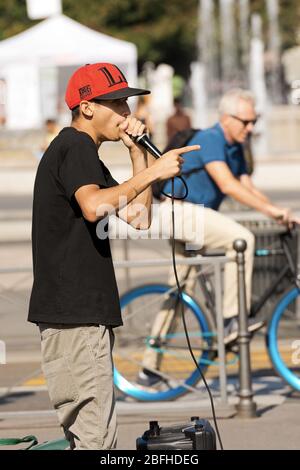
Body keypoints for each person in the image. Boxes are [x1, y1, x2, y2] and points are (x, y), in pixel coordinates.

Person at [27, 62, 199, 450]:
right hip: (75, 317)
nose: (126, 113)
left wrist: (138, 154)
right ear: (87, 106)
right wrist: (153, 173)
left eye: (127, 104)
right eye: (117, 103)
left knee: (92, 437)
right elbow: (92, 206)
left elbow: (138, 217)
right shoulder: (75, 145)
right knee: (96, 440)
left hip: (79, 317)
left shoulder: (84, 151)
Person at [138, 88, 300, 387]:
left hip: (195, 218)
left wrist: (279, 211)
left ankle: (149, 364)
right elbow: (228, 185)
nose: (251, 128)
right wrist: (273, 212)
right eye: (246, 121)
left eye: (255, 121)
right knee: (242, 240)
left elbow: (247, 187)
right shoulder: (212, 138)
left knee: (179, 290)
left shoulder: (236, 147)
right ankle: (230, 320)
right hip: (180, 212)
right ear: (226, 118)